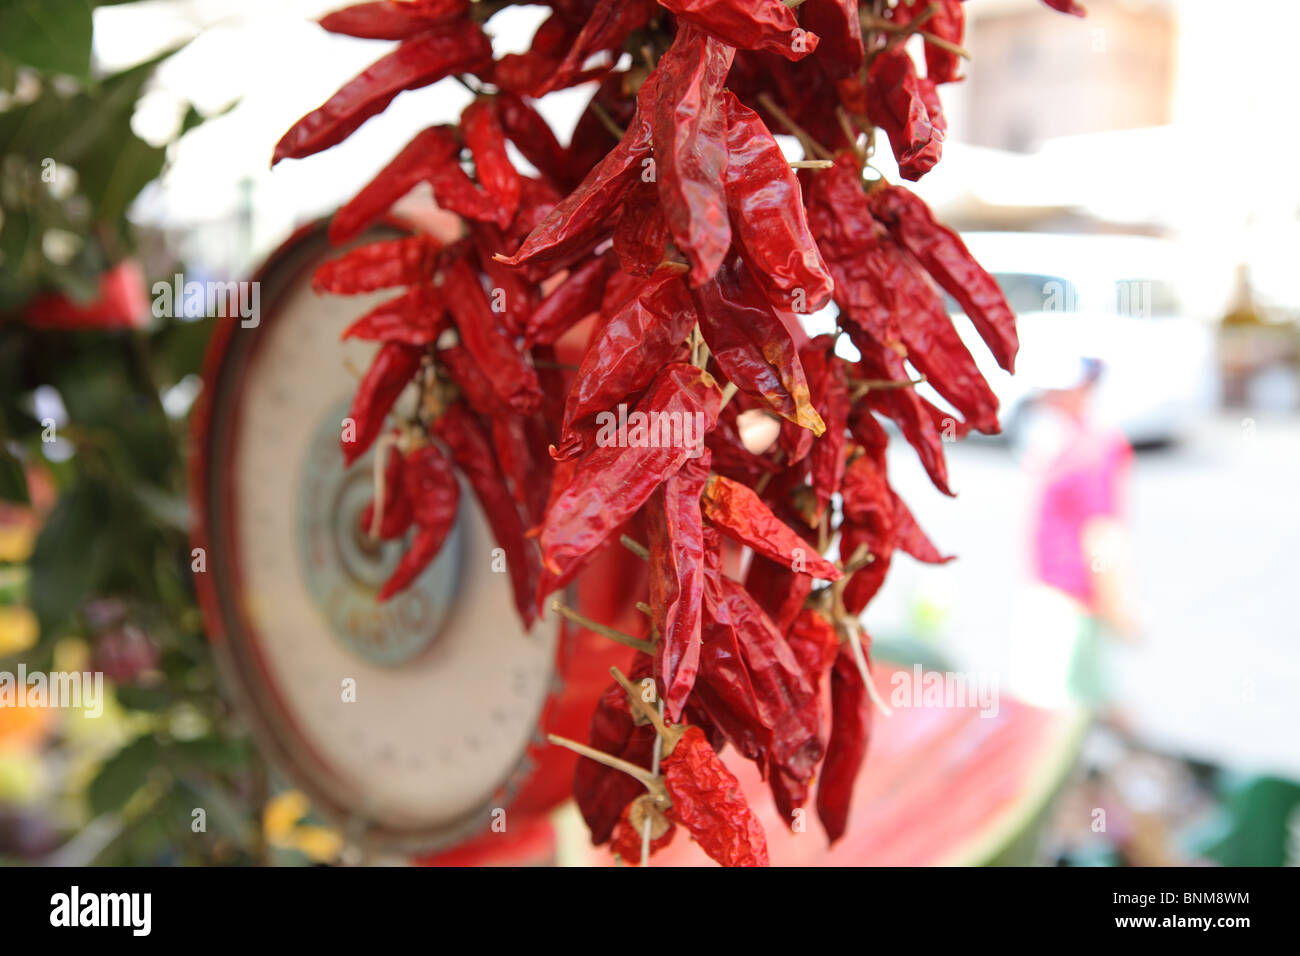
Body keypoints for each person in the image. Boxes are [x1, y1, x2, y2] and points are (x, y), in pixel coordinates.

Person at [1007, 357, 1138, 712]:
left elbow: (1102, 533)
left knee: (1043, 712)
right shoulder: (1060, 439)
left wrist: (1116, 605)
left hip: (1069, 602)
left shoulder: (1094, 448)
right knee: (1091, 701)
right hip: (1054, 594)